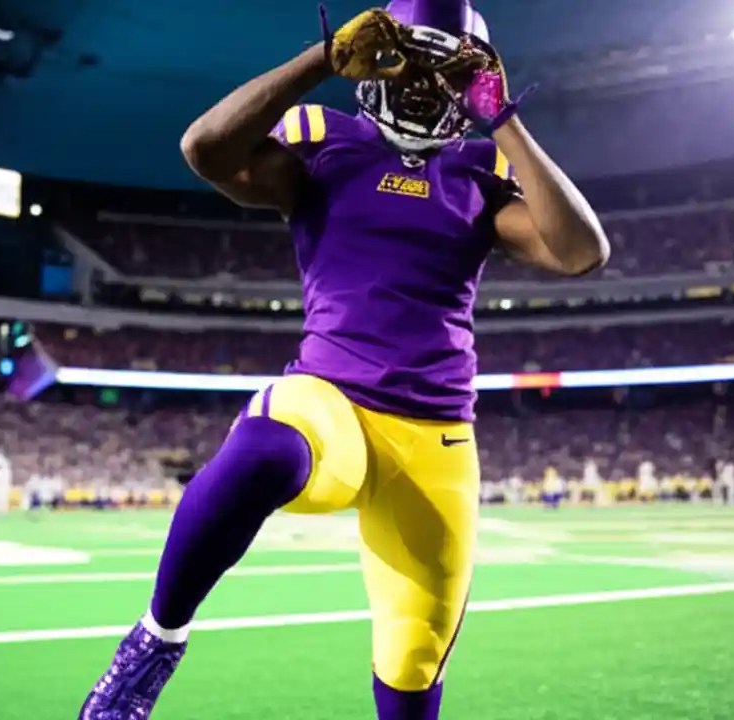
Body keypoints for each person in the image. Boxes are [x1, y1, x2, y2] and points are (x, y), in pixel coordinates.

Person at [77, 2, 609, 718]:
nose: (424, 85)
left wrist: (503, 117)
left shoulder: (482, 167)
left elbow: (583, 254)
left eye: (444, 71)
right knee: (265, 447)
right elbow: (205, 150)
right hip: (333, 402)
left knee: (412, 662)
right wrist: (317, 60)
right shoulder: (329, 141)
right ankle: (154, 642)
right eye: (413, 63)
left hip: (436, 436)